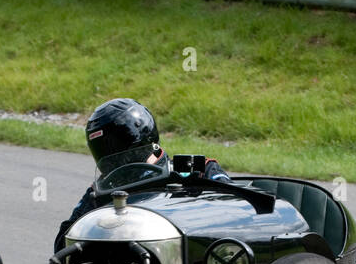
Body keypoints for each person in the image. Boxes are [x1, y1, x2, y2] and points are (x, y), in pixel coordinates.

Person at [55, 98, 230, 251]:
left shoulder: (197, 170)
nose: (112, 155)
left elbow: (232, 211)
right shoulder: (98, 192)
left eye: (116, 146)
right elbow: (64, 242)